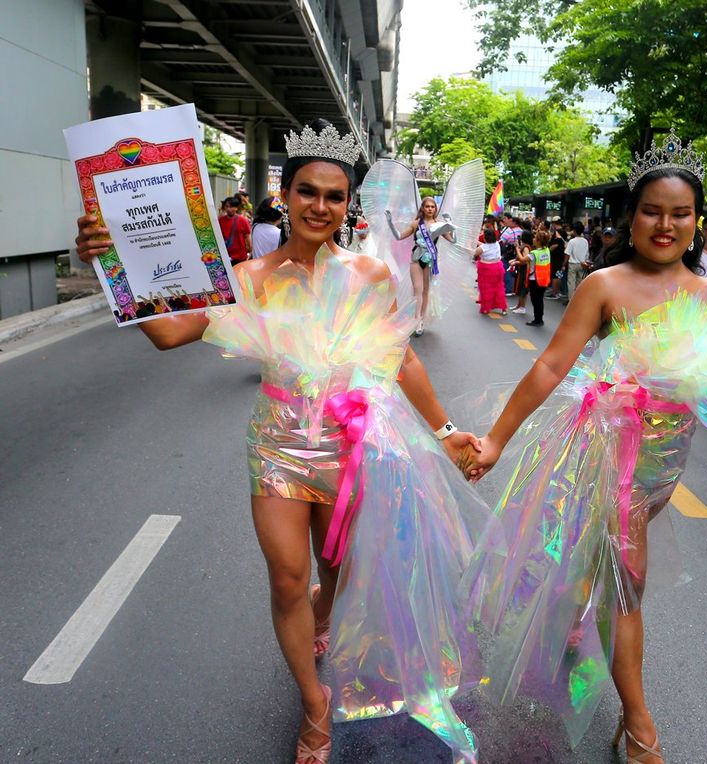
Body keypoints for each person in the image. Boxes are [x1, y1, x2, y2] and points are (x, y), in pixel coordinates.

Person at [74, 119, 495, 764]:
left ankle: (325, 612)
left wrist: (443, 431)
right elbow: (166, 333)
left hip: (350, 447)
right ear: (286, 194)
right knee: (287, 578)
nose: (319, 206)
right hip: (277, 446)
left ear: (347, 205)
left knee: (337, 570)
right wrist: (110, 263)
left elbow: (401, 357)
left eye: (334, 196)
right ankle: (314, 705)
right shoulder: (246, 278)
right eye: (307, 192)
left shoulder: (370, 276)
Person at [458, 137, 707, 764]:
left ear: (698, 222)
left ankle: (573, 623)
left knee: (603, 576)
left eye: (680, 213)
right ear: (631, 217)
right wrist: (496, 438)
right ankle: (639, 725)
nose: (665, 224)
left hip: (664, 467)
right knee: (626, 583)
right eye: (652, 210)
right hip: (604, 455)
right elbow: (550, 365)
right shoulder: (605, 284)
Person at [386, 196, 455, 336]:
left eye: (432, 207)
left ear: (435, 209)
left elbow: (453, 240)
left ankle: (421, 320)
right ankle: (416, 319)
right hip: (416, 258)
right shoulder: (416, 223)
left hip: (430, 260)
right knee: (418, 289)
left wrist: (451, 225)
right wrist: (390, 223)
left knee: (425, 291)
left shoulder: (439, 225)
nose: (430, 209)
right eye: (427, 206)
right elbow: (399, 236)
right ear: (422, 208)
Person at [474, 227, 508, 315]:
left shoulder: (482, 248)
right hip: (498, 267)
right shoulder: (497, 244)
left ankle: (486, 307)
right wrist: (476, 242)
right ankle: (503, 308)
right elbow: (487, 247)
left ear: (485, 238)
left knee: (486, 289)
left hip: (486, 269)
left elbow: (475, 252)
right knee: (499, 287)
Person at [523, 228, 551, 326]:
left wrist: (517, 249)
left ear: (539, 241)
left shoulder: (534, 253)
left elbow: (522, 259)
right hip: (544, 279)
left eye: (535, 238)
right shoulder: (547, 250)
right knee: (540, 299)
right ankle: (540, 318)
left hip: (535, 280)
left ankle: (537, 320)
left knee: (535, 300)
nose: (533, 239)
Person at [219, 196, 252, 264]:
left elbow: (248, 237)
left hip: (240, 257)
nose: (228, 209)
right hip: (225, 256)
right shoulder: (220, 220)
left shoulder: (243, 220)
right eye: (227, 206)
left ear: (236, 208)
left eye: (231, 207)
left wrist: (251, 251)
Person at [563, 220, 591, 300]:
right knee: (580, 282)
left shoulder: (572, 241)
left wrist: (564, 264)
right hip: (582, 264)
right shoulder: (585, 241)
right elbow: (587, 253)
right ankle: (578, 299)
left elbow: (567, 254)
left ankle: (571, 300)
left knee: (571, 282)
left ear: (574, 231)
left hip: (572, 264)